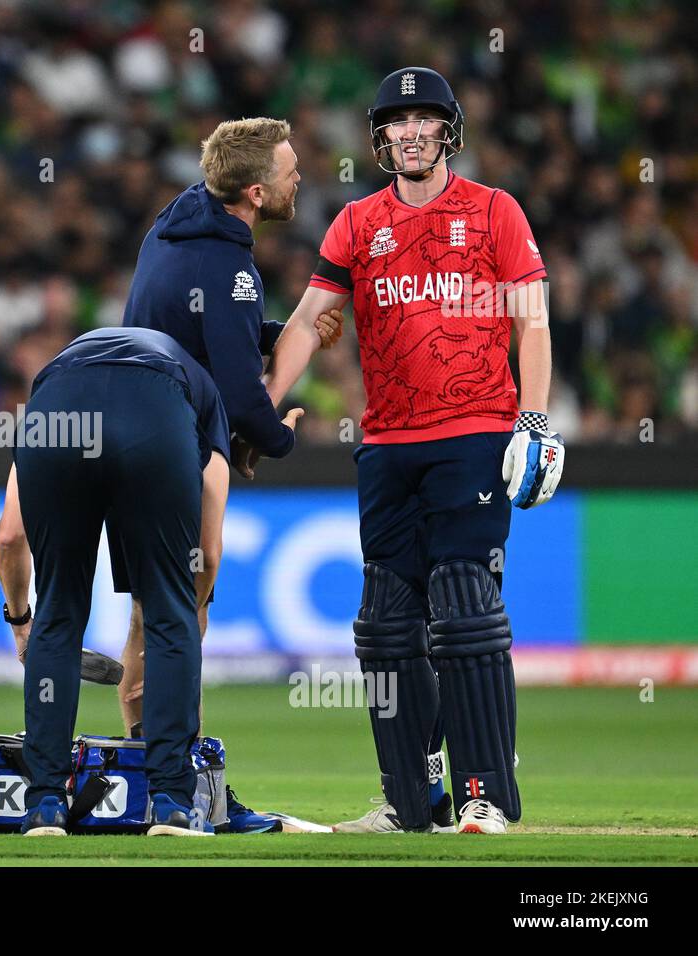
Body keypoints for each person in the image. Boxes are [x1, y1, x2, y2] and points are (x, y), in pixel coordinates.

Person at [268, 68, 565, 834]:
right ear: (380, 138)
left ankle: (485, 796)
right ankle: (410, 802)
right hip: (387, 444)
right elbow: (307, 320)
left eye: (424, 120)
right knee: (387, 627)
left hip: (474, 435)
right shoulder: (358, 223)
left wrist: (533, 420)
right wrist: (261, 408)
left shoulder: (495, 211)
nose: (409, 132)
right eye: (396, 122)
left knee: (464, 613)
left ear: (448, 132)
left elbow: (531, 320)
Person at [114, 116, 340, 832]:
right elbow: (243, 393)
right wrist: (277, 438)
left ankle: (144, 778)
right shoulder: (230, 266)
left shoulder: (171, 231)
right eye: (288, 169)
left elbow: (196, 326)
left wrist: (270, 335)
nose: (298, 177)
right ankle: (183, 790)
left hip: (126, 435)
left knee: (152, 624)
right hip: (176, 449)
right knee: (186, 615)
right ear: (253, 190)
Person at [0, 326, 231, 837]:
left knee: (57, 616)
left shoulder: (51, 380)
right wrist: (194, 612)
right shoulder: (205, 392)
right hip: (154, 416)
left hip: (59, 416)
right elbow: (207, 552)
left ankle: (44, 806)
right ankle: (170, 801)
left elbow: (10, 537)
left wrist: (21, 623)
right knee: (170, 613)